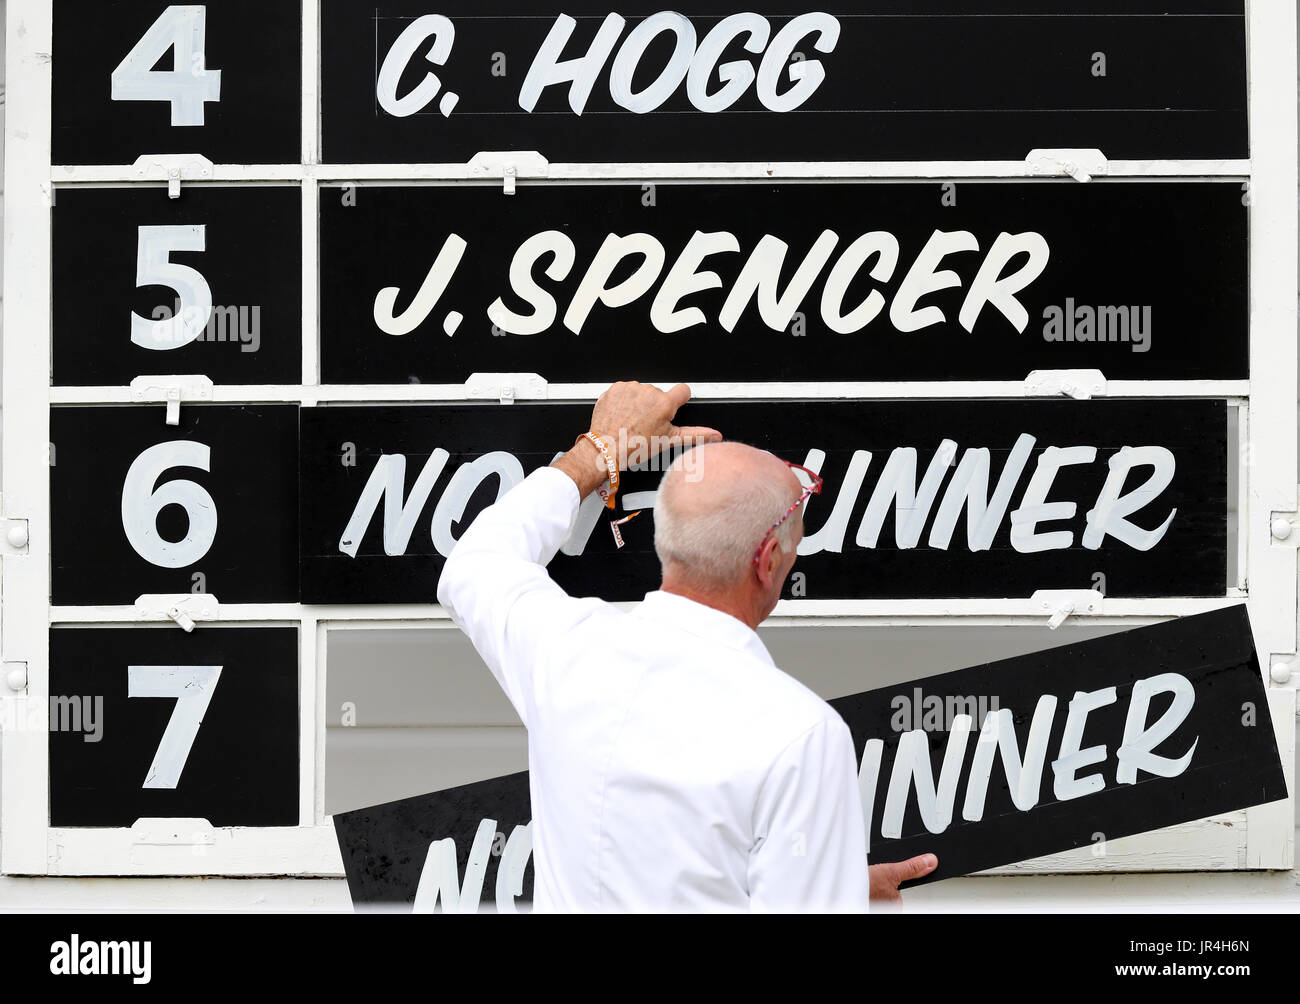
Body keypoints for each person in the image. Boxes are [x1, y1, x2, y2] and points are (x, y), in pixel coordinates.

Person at [438, 380, 936, 911]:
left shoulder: (566, 653)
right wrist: (836, 893)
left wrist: (598, 452)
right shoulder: (801, 735)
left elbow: (474, 567)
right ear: (769, 560)